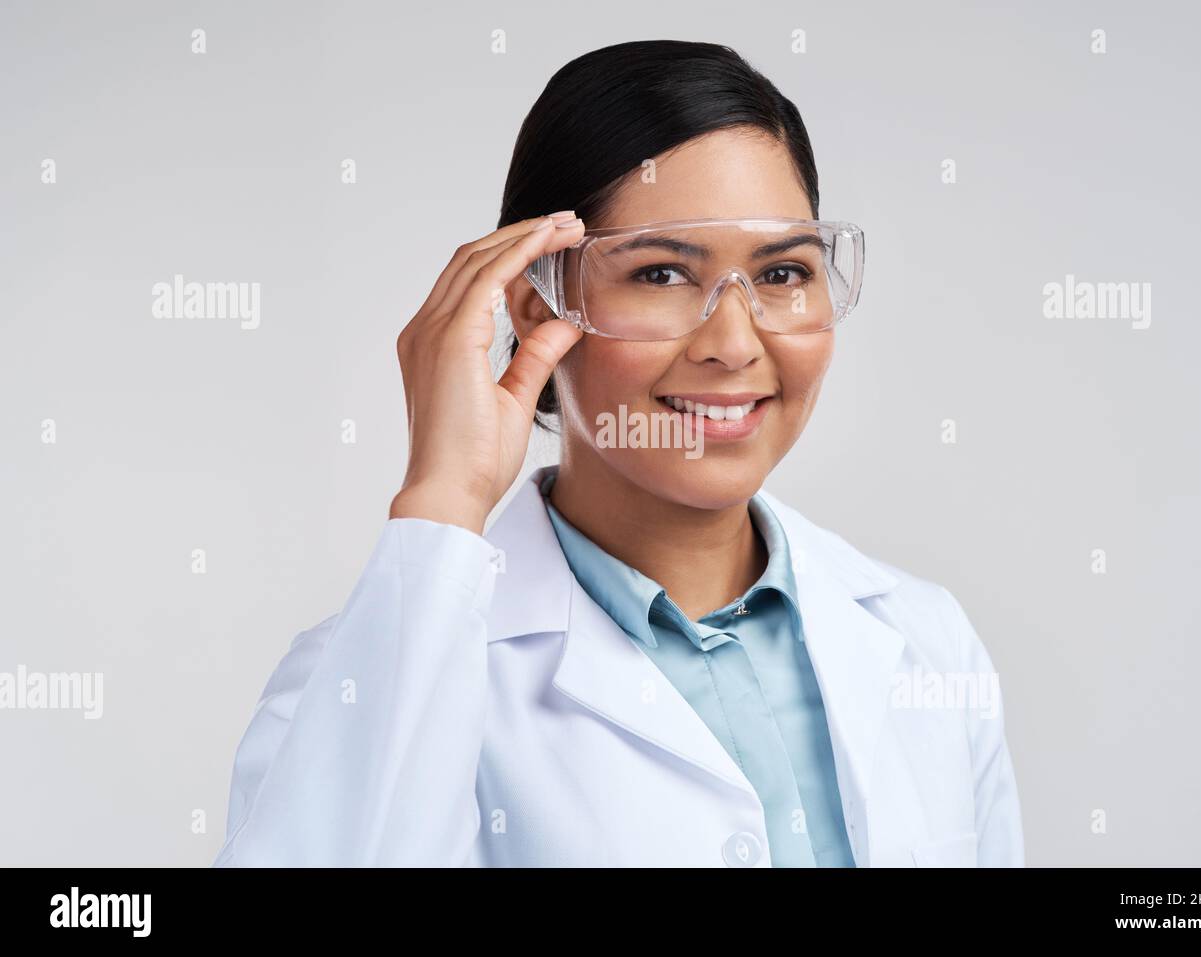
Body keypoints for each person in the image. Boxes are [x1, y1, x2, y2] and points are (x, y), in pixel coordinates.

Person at [214, 39, 1024, 868]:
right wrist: (446, 496)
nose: (734, 343)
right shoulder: (369, 668)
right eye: (664, 274)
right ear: (537, 305)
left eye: (782, 273)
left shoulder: (927, 641)